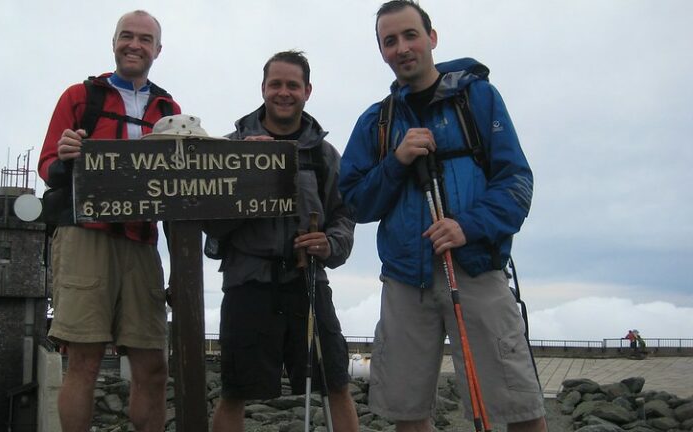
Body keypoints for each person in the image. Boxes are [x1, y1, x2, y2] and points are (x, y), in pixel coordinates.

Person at [339, 2, 546, 431]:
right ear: (381, 51)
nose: (402, 48)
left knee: (519, 410)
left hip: (476, 268)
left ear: (432, 38)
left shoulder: (478, 98)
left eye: (410, 35)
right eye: (389, 41)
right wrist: (396, 161)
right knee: (407, 414)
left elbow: (516, 182)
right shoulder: (376, 122)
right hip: (404, 281)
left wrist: (466, 226)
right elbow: (355, 203)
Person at [37, 10, 181, 432]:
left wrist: (179, 266)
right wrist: (64, 156)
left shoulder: (168, 107)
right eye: (126, 37)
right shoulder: (78, 98)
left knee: (153, 365)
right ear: (114, 42)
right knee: (84, 359)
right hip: (84, 234)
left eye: (144, 39)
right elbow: (48, 167)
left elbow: (181, 189)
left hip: (142, 240)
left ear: (158, 49)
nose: (134, 45)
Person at [207, 50, 359, 432]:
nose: (284, 92)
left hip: (308, 283)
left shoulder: (324, 156)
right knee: (234, 390)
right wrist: (245, 170)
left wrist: (330, 243)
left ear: (308, 91)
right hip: (247, 283)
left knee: (336, 384)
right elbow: (208, 223)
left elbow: (344, 214)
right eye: (276, 84)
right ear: (263, 88)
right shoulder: (230, 149)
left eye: (293, 85)